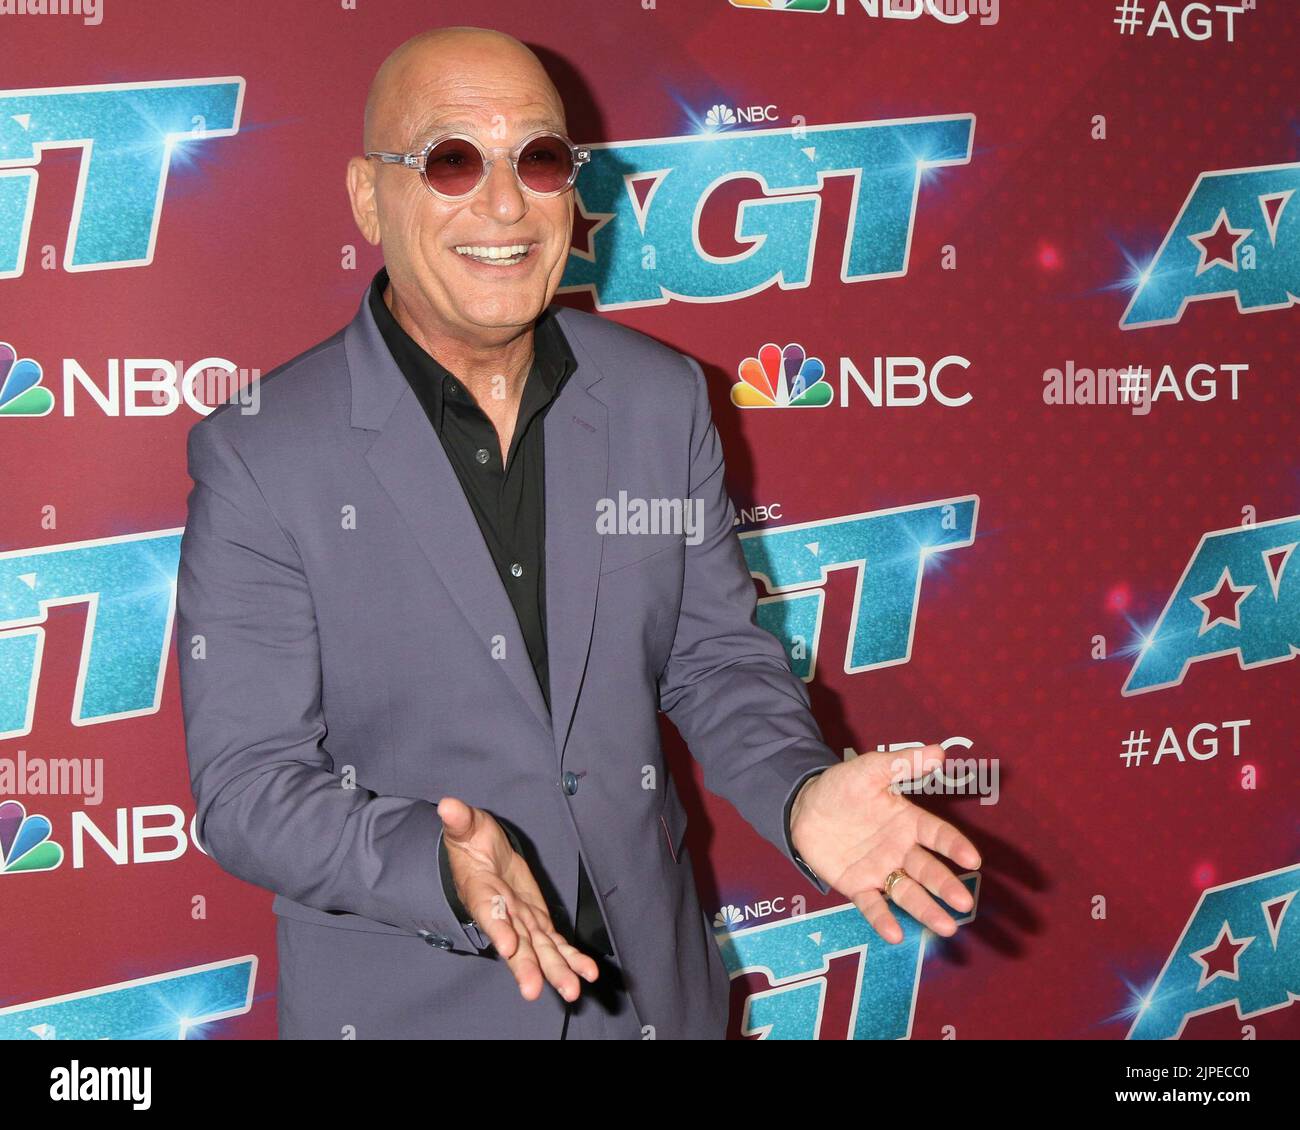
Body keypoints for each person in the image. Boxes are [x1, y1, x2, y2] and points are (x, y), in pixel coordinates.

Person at [176, 25, 981, 1040]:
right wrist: (431, 860)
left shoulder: (659, 397)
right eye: (452, 159)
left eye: (539, 159)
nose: (506, 204)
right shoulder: (263, 451)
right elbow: (247, 788)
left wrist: (796, 787)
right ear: (366, 195)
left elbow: (715, 658)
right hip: (418, 1009)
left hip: (656, 999)